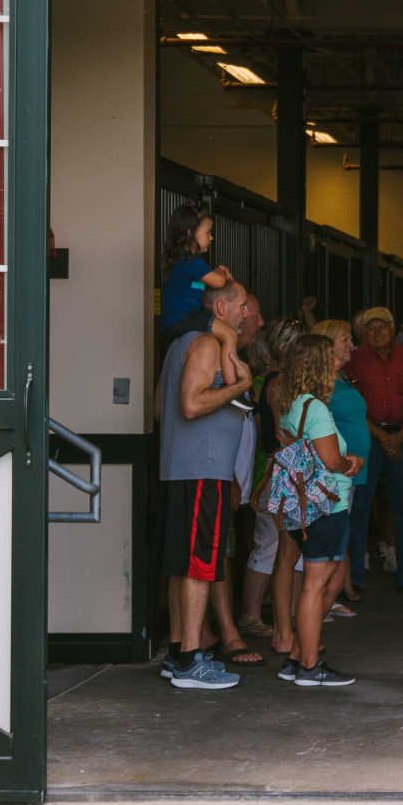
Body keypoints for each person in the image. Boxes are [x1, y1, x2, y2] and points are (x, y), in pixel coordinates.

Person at [156, 281, 257, 690]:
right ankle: (190, 661)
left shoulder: (181, 344)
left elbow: (162, 405)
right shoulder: (205, 345)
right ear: (221, 306)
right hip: (202, 470)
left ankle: (178, 651)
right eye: (243, 306)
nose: (247, 314)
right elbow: (190, 404)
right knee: (199, 564)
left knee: (183, 564)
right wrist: (238, 389)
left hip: (184, 467)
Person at [270, 331, 359, 686]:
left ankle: (295, 659)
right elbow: (331, 460)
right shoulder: (316, 407)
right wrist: (353, 461)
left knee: (322, 582)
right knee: (315, 587)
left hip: (302, 505)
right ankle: (309, 666)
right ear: (318, 366)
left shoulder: (292, 402)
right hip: (325, 504)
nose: (338, 363)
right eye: (331, 360)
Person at [346, 305, 403, 593]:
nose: (377, 332)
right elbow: (351, 403)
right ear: (363, 332)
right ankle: (354, 577)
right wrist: (382, 437)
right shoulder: (354, 361)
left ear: (393, 330)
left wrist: (402, 435)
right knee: (360, 509)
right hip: (368, 439)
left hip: (402, 439)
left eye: (382, 327)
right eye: (371, 328)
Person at [307, 320, 372, 614]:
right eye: (345, 339)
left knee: (342, 532)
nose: (351, 345)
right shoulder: (319, 384)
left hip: (350, 470)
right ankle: (319, 605)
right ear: (327, 344)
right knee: (330, 537)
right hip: (335, 471)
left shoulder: (342, 377)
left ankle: (331, 598)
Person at [155, 203, 235, 350]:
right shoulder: (190, 262)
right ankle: (231, 374)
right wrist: (220, 271)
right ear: (190, 233)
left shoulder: (185, 261)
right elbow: (218, 282)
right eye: (208, 232)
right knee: (229, 334)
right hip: (183, 318)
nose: (211, 238)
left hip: (175, 321)